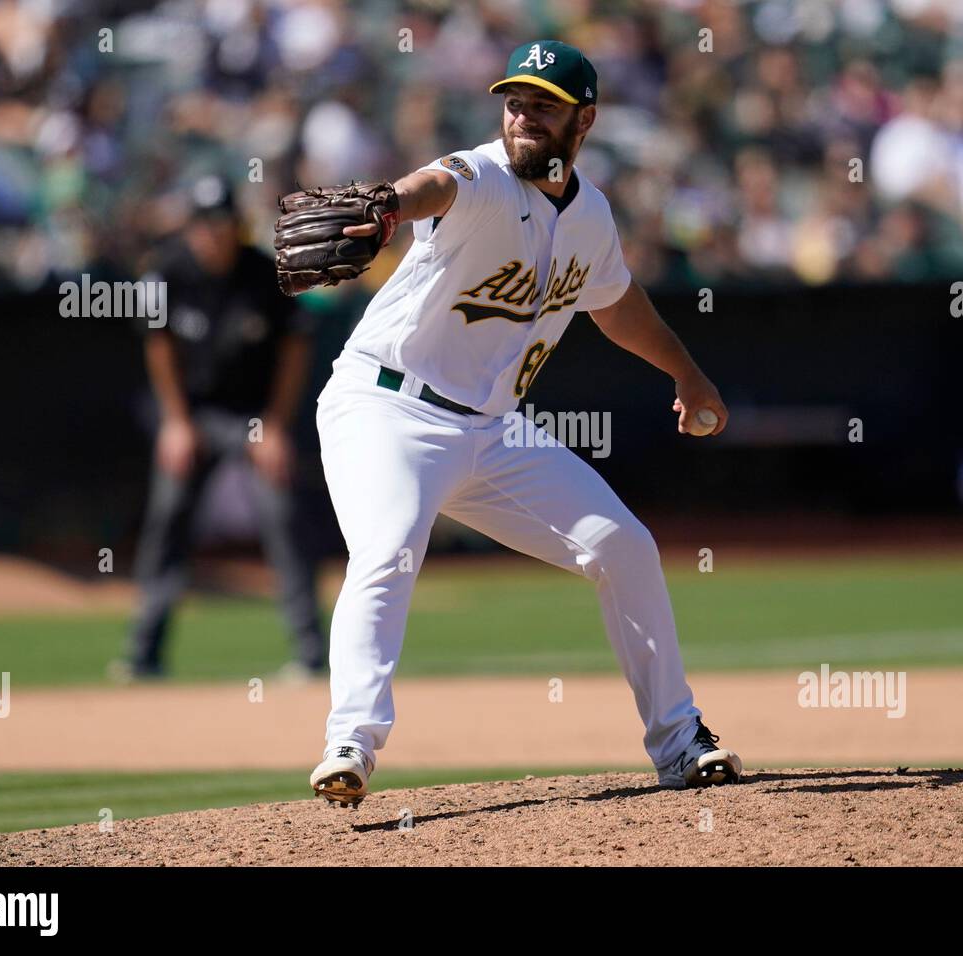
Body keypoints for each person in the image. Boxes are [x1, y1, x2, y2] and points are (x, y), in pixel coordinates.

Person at [306, 40, 742, 808]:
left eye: (542, 103)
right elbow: (435, 183)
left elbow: (615, 303)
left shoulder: (591, 215)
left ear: (585, 120)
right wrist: (386, 208)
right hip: (385, 406)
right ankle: (351, 740)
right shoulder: (480, 176)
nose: (521, 115)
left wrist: (685, 370)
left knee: (623, 546)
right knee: (390, 546)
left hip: (493, 432)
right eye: (514, 99)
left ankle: (680, 740)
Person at [114, 176, 326, 680]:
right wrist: (176, 423)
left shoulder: (266, 274)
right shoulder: (167, 272)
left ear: (237, 226)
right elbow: (158, 344)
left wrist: (275, 426)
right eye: (204, 225)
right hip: (194, 413)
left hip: (253, 416)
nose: (213, 234)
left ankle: (311, 654)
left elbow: (296, 349)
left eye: (223, 224)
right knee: (168, 518)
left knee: (282, 515)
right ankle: (143, 654)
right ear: (190, 229)